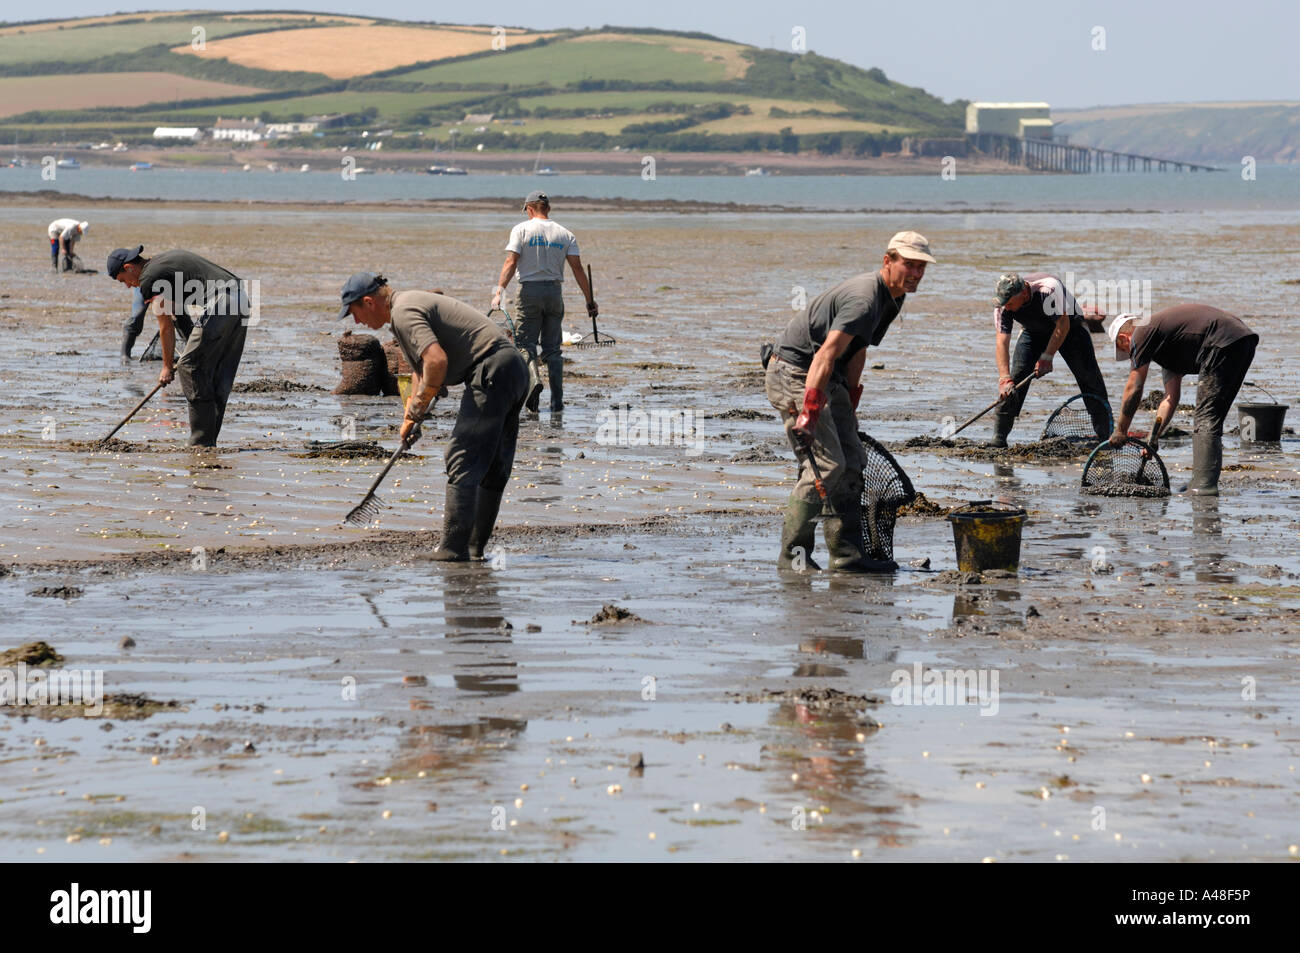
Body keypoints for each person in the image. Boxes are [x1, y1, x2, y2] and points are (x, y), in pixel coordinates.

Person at [764, 230, 935, 573]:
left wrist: (849, 404)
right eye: (909, 265)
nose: (915, 274)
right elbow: (826, 354)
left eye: (921, 267)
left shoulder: (895, 297)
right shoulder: (864, 299)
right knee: (825, 466)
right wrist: (810, 415)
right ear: (888, 261)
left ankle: (847, 556)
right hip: (796, 372)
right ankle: (792, 558)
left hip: (830, 377)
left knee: (853, 459)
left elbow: (857, 349)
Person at [339, 272, 529, 561]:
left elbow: (437, 362)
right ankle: (474, 551)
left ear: (368, 302)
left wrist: (417, 408)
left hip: (492, 369)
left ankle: (453, 550)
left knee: (461, 457)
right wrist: (410, 419)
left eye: (354, 314)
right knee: (492, 466)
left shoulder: (403, 311)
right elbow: (422, 371)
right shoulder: (404, 309)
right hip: (512, 368)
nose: (356, 323)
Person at [107, 245, 249, 447]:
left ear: (129, 267)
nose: (129, 286)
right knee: (217, 370)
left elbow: (165, 328)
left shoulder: (149, 278)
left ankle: (200, 442)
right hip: (241, 300)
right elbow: (180, 318)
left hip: (221, 302)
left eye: (123, 281)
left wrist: (167, 367)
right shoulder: (163, 265)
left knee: (189, 367)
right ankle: (208, 441)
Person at [1108, 305, 1258, 495]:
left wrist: (1121, 430)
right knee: (1212, 418)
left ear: (1124, 338)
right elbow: (1170, 398)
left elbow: (1134, 387)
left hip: (1222, 340)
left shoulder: (1141, 332)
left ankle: (1204, 488)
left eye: (1127, 351)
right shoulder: (1167, 347)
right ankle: (1202, 481)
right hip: (1242, 340)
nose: (1133, 357)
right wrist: (1153, 437)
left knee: (1206, 418)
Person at [490, 190, 597, 415]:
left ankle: (534, 386)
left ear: (529, 209)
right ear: (547, 208)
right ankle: (557, 403)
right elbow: (577, 269)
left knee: (525, 344)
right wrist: (590, 301)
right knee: (553, 350)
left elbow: (510, 262)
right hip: (554, 293)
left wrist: (498, 292)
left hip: (529, 291)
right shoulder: (565, 234)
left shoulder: (521, 229)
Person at [988, 272, 1111, 447]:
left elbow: (1063, 324)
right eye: (1004, 304)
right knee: (1015, 380)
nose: (1006, 308)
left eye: (1009, 303)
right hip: (1033, 331)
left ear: (1023, 294)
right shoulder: (1002, 305)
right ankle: (999, 438)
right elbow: (1001, 342)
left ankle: (1105, 436)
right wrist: (1003, 378)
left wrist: (1047, 357)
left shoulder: (1048, 289)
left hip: (1070, 329)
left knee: (1089, 378)